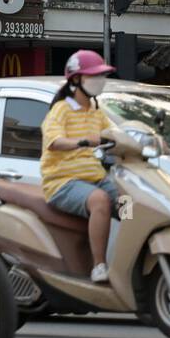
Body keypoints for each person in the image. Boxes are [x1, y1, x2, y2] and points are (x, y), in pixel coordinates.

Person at [40, 49, 119, 283]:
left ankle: (130, 262)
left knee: (131, 205)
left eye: (102, 77)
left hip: (95, 177)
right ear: (76, 79)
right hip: (63, 182)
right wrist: (83, 141)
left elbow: (115, 135)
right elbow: (54, 142)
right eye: (94, 77)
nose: (100, 82)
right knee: (100, 201)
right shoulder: (61, 110)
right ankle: (99, 266)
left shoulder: (96, 112)